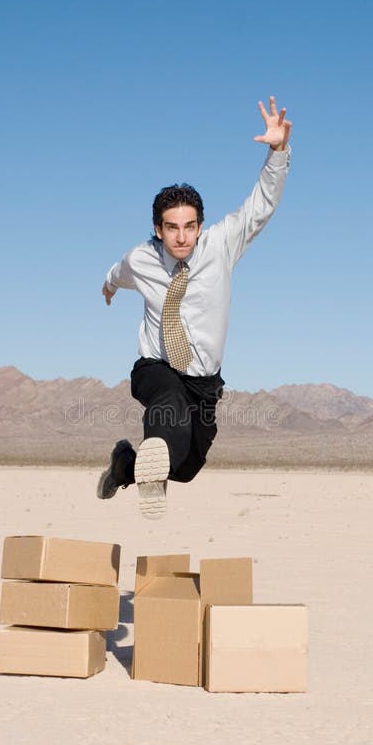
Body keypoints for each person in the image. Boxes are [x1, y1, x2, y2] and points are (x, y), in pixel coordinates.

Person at [97, 96, 292, 519]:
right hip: (156, 368)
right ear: (158, 228)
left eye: (189, 227)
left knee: (186, 468)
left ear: (200, 226)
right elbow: (118, 272)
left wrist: (278, 151)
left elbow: (260, 207)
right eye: (172, 228)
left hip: (204, 382)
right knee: (167, 403)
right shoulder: (141, 258)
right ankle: (154, 460)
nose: (182, 237)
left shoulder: (220, 245)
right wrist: (109, 286)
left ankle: (127, 464)